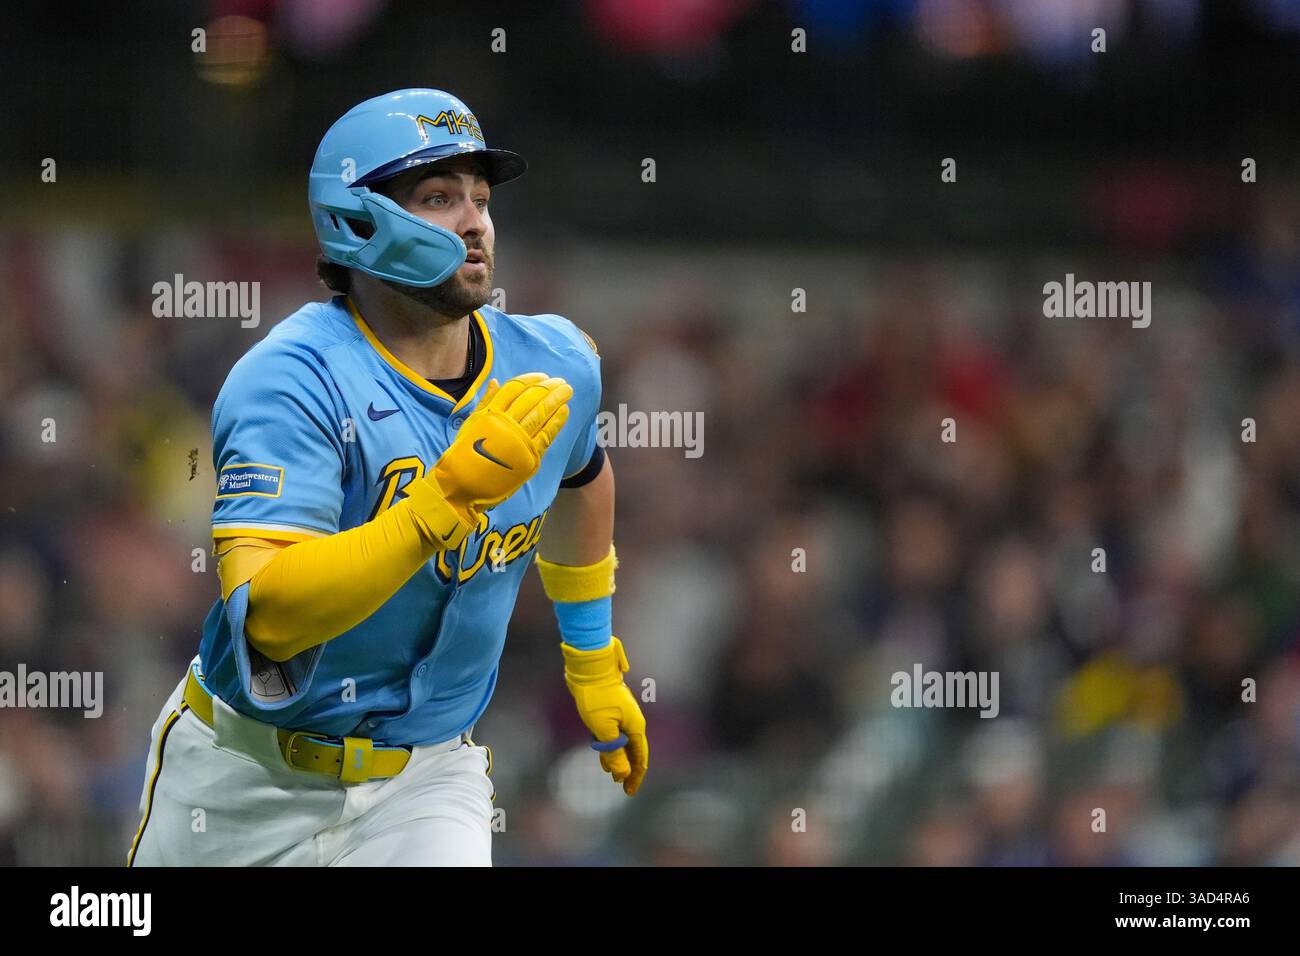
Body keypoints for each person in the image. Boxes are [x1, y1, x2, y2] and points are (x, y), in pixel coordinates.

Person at [127, 88, 647, 866]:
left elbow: (583, 477)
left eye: (480, 197)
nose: (475, 221)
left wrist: (591, 657)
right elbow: (267, 617)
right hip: (244, 778)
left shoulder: (555, 361)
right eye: (439, 197)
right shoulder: (290, 380)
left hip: (427, 783)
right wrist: (438, 506)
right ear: (355, 217)